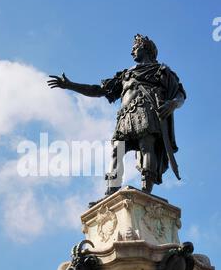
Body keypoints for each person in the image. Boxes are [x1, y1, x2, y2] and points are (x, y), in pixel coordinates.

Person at [48, 34, 186, 196]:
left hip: (146, 110)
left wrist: (173, 104)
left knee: (146, 146)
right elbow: (98, 90)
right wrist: (70, 85)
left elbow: (180, 94)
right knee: (117, 150)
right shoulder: (125, 74)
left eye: (135, 48)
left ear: (146, 49)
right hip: (126, 115)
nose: (132, 52)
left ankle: (145, 191)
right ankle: (111, 191)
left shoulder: (161, 71)